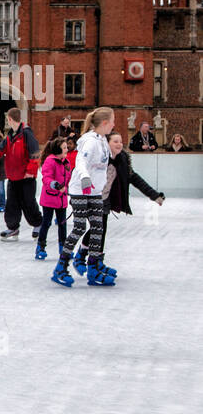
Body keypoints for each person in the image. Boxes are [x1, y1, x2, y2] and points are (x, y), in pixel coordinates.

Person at [83, 131, 164, 277]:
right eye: (115, 141)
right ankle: (82, 258)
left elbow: (134, 178)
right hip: (90, 198)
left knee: (102, 229)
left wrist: (154, 196)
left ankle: (97, 261)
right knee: (97, 228)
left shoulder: (122, 160)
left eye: (121, 141)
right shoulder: (99, 157)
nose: (119, 144)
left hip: (105, 199)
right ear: (107, 143)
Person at [52, 107, 115, 287]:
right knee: (80, 228)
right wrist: (85, 178)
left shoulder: (102, 140)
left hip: (94, 191)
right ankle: (61, 267)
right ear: (104, 123)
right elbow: (81, 161)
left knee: (98, 227)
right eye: (112, 121)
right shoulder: (91, 142)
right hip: (80, 189)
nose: (114, 124)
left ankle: (93, 268)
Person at [0, 107, 44, 241]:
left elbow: (35, 153)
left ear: (10, 119)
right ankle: (12, 228)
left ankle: (38, 224)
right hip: (13, 176)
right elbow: (1, 148)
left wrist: (30, 171)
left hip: (26, 177)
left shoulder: (26, 134)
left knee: (28, 202)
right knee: (11, 203)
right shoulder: (11, 135)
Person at [35, 136, 71, 261]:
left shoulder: (67, 162)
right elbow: (46, 178)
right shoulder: (50, 161)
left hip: (61, 199)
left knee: (62, 224)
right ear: (58, 150)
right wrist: (55, 185)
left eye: (67, 147)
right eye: (64, 148)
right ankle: (40, 246)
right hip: (50, 198)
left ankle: (64, 249)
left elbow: (68, 179)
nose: (67, 150)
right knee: (47, 222)